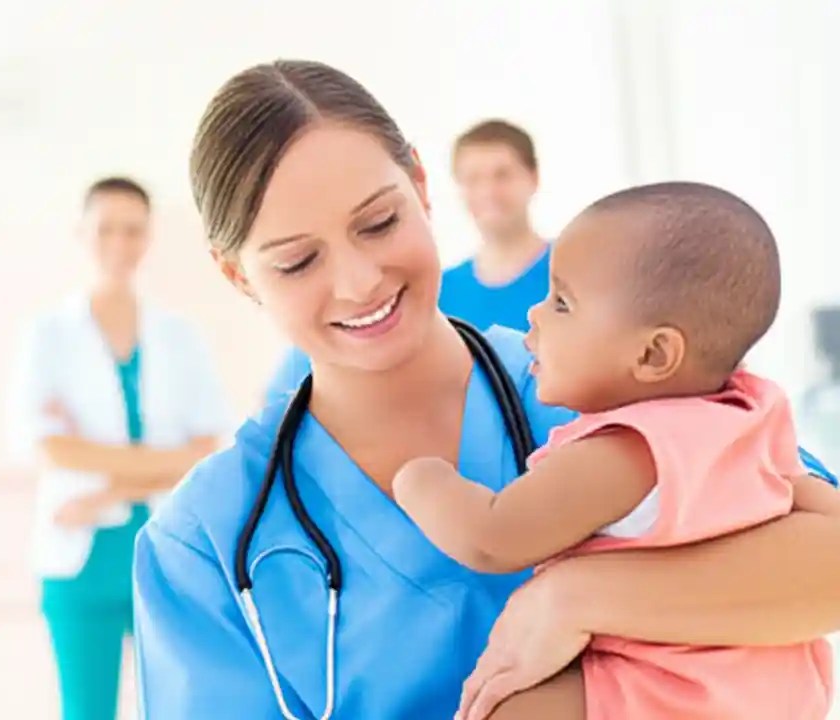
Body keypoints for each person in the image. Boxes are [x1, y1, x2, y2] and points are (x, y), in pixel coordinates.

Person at [132, 59, 840, 720]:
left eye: (379, 222)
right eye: (297, 262)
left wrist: (577, 596)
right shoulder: (205, 541)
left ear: (421, 185)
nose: (359, 282)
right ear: (237, 276)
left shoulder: (608, 394)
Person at [395, 182, 834, 720]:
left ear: (653, 353)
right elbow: (818, 508)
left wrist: (421, 480)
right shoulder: (752, 411)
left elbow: (493, 537)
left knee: (501, 706)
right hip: (774, 682)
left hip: (667, 686)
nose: (534, 314)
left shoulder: (625, 450)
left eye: (562, 303)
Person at [9, 177, 228, 720]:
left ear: (148, 237)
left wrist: (108, 481)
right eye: (105, 229)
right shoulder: (49, 335)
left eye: (132, 230)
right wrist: (161, 460)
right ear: (81, 234)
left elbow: (206, 448)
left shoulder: (180, 336)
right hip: (78, 561)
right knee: (86, 710)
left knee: (180, 705)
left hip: (163, 550)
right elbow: (48, 449)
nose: (119, 243)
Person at [262, 119, 550, 403]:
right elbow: (283, 394)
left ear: (533, 178)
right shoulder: (431, 290)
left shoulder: (571, 274)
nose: (488, 192)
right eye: (473, 179)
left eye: (502, 175)